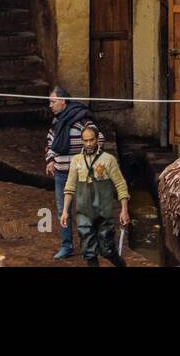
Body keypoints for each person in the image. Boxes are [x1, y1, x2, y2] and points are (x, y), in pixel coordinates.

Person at [45, 86, 102, 261]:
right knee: (64, 210)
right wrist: (50, 159)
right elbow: (50, 143)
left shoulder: (82, 120)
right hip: (61, 174)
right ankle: (66, 246)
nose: (50, 105)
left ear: (62, 101)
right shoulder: (57, 122)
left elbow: (98, 139)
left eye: (53, 101)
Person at [60, 126, 130, 268]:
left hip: (104, 213)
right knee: (89, 253)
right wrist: (65, 211)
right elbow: (70, 187)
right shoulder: (76, 160)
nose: (89, 144)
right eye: (85, 141)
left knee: (108, 250)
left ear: (97, 139)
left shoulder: (108, 160)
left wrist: (124, 209)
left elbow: (121, 185)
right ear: (82, 141)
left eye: (91, 140)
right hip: (84, 214)